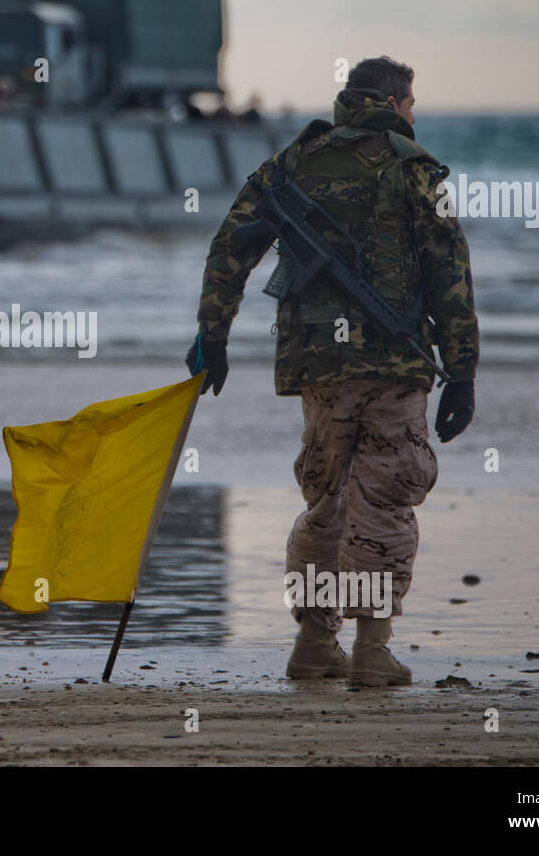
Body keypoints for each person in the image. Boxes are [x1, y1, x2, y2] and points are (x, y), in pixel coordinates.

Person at [185, 56, 478, 686]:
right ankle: (372, 650)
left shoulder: (293, 162)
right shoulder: (410, 167)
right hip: (393, 364)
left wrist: (214, 333)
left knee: (327, 495)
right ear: (395, 102)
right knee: (385, 494)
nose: (415, 114)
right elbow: (448, 272)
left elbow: (230, 248)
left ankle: (314, 644)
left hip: (317, 362)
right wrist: (463, 371)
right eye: (412, 103)